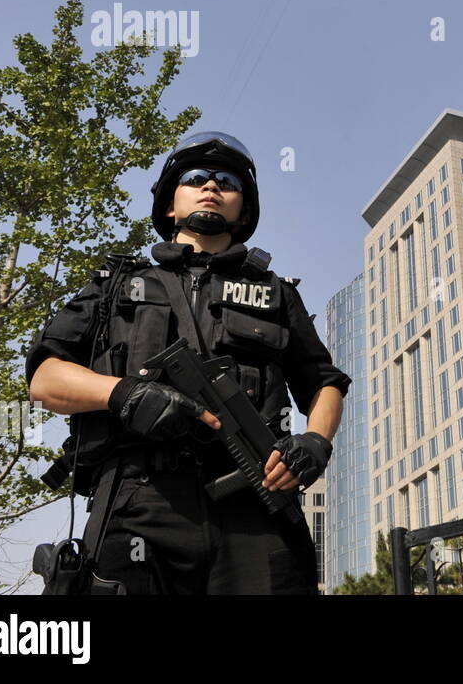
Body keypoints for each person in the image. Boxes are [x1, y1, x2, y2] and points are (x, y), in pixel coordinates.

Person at [27, 131, 350, 594]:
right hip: (139, 497)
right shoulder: (115, 285)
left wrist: (316, 442)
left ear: (243, 210)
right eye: (196, 178)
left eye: (227, 182)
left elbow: (324, 381)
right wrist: (122, 393)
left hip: (255, 502)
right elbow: (45, 378)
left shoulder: (277, 293)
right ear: (169, 206)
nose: (212, 187)